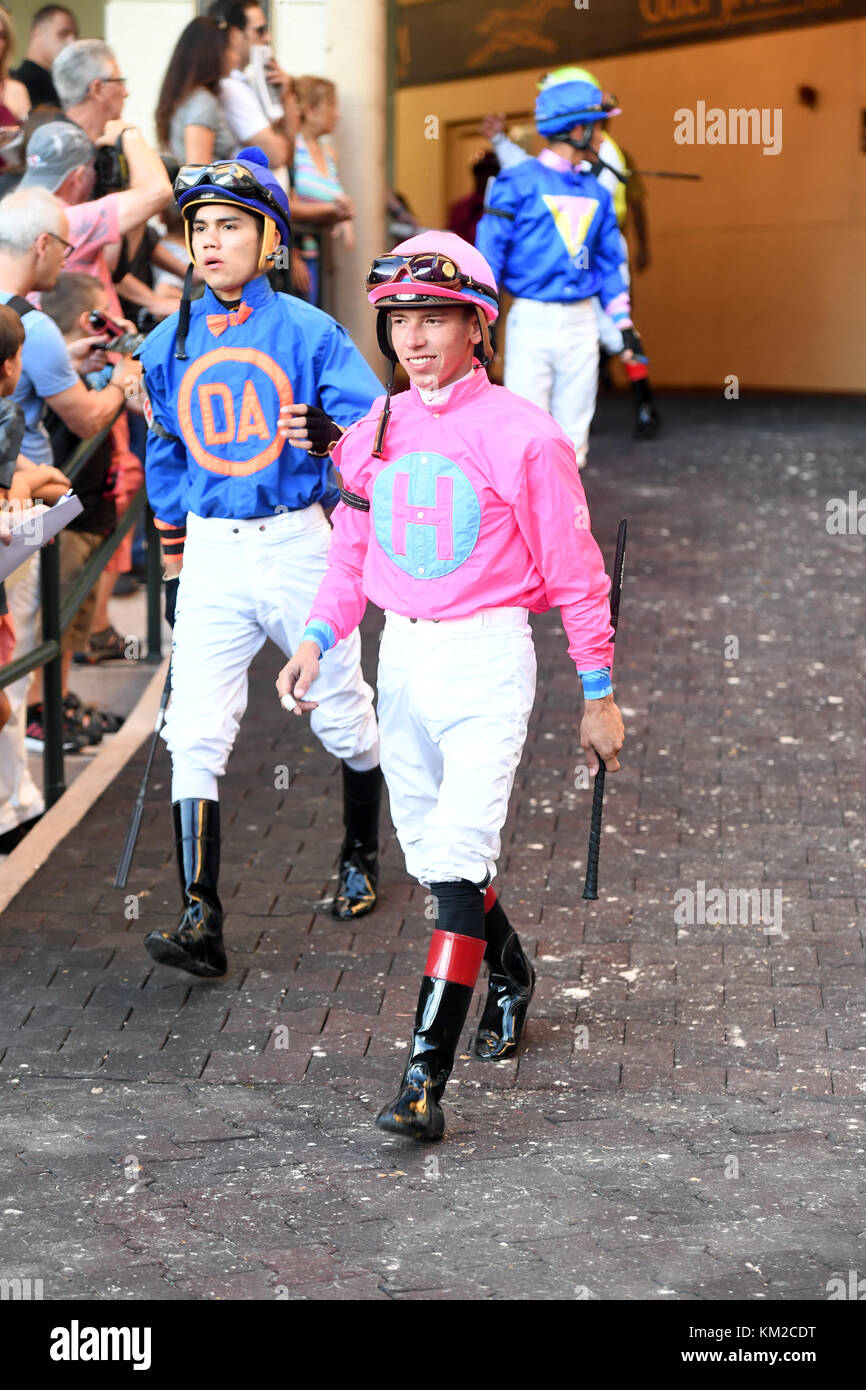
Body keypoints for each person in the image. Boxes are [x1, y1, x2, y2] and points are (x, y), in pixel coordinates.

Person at [276, 231, 625, 1141]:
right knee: (434, 859)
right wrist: (316, 639)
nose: (416, 338)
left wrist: (597, 693)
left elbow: (578, 574)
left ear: (478, 326)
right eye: (401, 320)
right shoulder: (372, 432)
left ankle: (421, 1084)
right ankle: (510, 973)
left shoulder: (527, 436)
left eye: (435, 318)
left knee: (461, 861)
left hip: (488, 661)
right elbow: (349, 558)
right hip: (401, 658)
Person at [137, 147, 384, 980]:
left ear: (270, 239)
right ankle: (199, 915)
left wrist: (329, 436)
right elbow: (166, 460)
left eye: (230, 227)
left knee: (340, 712)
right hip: (211, 549)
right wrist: (174, 570)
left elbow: (377, 439)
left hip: (296, 543)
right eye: (199, 229)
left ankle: (361, 853)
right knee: (194, 729)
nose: (210, 242)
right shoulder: (164, 344)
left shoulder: (313, 333)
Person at [476, 71, 648, 469]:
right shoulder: (515, 183)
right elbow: (489, 257)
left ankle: (565, 510)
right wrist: (484, 319)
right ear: (578, 130)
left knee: (573, 444)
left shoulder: (598, 192)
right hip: (530, 320)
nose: (603, 140)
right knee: (524, 437)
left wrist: (623, 324)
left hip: (582, 324)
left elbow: (609, 264)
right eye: (599, 129)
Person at [207, 1, 293, 169]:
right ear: (235, 34)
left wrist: (285, 96)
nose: (267, 37)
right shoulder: (230, 87)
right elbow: (277, 155)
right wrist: (287, 102)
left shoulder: (243, 82)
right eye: (260, 30)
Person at [293, 76, 354, 306]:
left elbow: (334, 197)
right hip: (295, 258)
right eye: (332, 106)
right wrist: (290, 256)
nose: (337, 115)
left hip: (320, 255)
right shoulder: (291, 148)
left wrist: (344, 218)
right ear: (309, 110)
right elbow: (281, 204)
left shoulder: (330, 154)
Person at [155, 17, 237, 168]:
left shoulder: (188, 96)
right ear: (213, 54)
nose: (235, 57)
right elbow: (198, 169)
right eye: (230, 49)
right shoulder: (203, 101)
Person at [52, 39, 127, 145]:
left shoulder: (61, 139)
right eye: (119, 82)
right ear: (98, 89)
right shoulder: (63, 148)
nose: (126, 92)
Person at [11, 5, 77, 111]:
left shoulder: (63, 84)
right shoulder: (16, 85)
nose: (72, 42)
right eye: (63, 34)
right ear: (37, 32)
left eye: (75, 35)